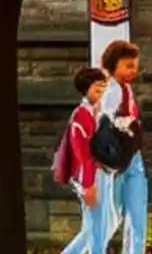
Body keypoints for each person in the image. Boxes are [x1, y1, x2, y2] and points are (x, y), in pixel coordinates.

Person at [57, 67, 112, 254]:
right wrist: (88, 184)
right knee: (97, 229)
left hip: (98, 174)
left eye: (103, 88)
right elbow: (82, 152)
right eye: (97, 88)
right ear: (86, 88)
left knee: (100, 226)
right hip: (90, 176)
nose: (101, 92)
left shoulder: (93, 113)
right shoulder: (82, 115)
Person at [99, 40, 147, 254]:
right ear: (113, 65)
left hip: (132, 158)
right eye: (128, 65)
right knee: (111, 220)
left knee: (136, 218)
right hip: (118, 161)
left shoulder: (125, 89)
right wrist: (125, 124)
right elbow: (103, 125)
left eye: (135, 65)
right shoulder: (111, 91)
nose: (133, 70)